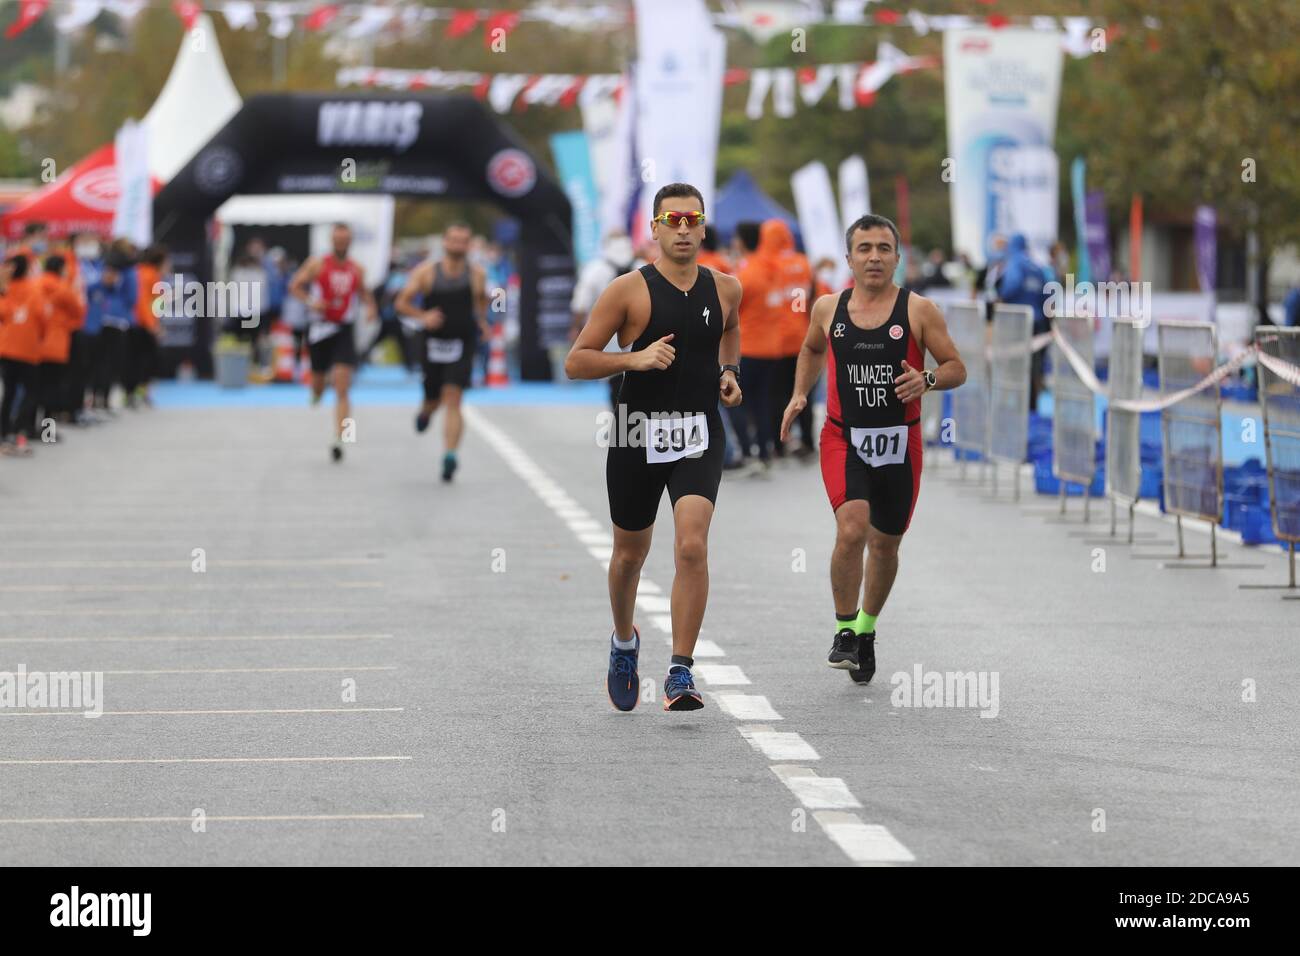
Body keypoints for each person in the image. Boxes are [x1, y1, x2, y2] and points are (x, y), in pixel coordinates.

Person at [564, 182, 743, 713]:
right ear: (655, 229)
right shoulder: (627, 290)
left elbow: (730, 329)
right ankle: (624, 642)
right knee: (628, 555)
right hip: (636, 433)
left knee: (691, 545)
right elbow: (577, 361)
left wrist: (729, 372)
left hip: (697, 432)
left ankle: (681, 671)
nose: (683, 229)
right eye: (673, 220)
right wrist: (632, 360)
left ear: (704, 226)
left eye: (692, 220)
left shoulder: (726, 288)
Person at [780, 214, 966, 684]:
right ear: (848, 258)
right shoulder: (827, 308)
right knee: (852, 528)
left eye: (884, 248)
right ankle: (844, 630)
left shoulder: (919, 311)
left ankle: (866, 631)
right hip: (843, 437)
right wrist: (801, 393)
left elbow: (956, 367)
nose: (874, 257)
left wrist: (926, 379)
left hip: (901, 444)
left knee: (886, 545)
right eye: (864, 248)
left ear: (898, 258)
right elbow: (811, 349)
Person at [395, 223, 489, 482]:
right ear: (445, 243)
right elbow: (401, 303)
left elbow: (481, 298)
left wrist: (482, 321)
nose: (458, 246)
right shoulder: (426, 273)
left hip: (463, 342)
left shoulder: (477, 274)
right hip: (433, 343)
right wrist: (423, 315)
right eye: (454, 240)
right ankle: (425, 412)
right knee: (433, 398)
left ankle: (450, 454)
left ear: (468, 245)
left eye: (463, 241)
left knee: (453, 396)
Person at [289, 223, 378, 462]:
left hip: (343, 331)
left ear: (350, 241)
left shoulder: (357, 269)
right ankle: (317, 391)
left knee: (343, 386)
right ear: (332, 240)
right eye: (337, 239)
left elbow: (364, 292)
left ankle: (343, 437)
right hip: (319, 329)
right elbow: (295, 286)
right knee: (318, 384)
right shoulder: (317, 264)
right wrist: (311, 301)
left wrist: (371, 307)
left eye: (345, 239)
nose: (341, 243)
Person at [569, 231, 639, 408]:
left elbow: (580, 304)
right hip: (641, 335)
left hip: (608, 336)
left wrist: (576, 329)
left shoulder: (595, 269)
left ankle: (619, 422)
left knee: (615, 379)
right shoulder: (642, 266)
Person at [994, 233, 1050, 411]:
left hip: (1018, 323)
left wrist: (1000, 295)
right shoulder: (1037, 266)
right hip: (1038, 322)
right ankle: (1032, 406)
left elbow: (1011, 285)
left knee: (1014, 366)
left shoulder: (1015, 263)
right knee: (1034, 367)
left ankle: (1015, 407)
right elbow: (1047, 295)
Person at [0, 253, 48, 456]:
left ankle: (4, 435)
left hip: (6, 348)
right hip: (28, 350)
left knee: (8, 393)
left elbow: (3, 314)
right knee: (30, 393)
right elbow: (42, 317)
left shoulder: (6, 290)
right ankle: (19, 433)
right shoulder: (34, 289)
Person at [36, 254, 86, 433]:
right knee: (53, 388)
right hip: (57, 343)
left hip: (35, 343)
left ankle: (27, 428)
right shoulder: (64, 288)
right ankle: (48, 432)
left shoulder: (35, 284)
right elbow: (79, 311)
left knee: (35, 388)